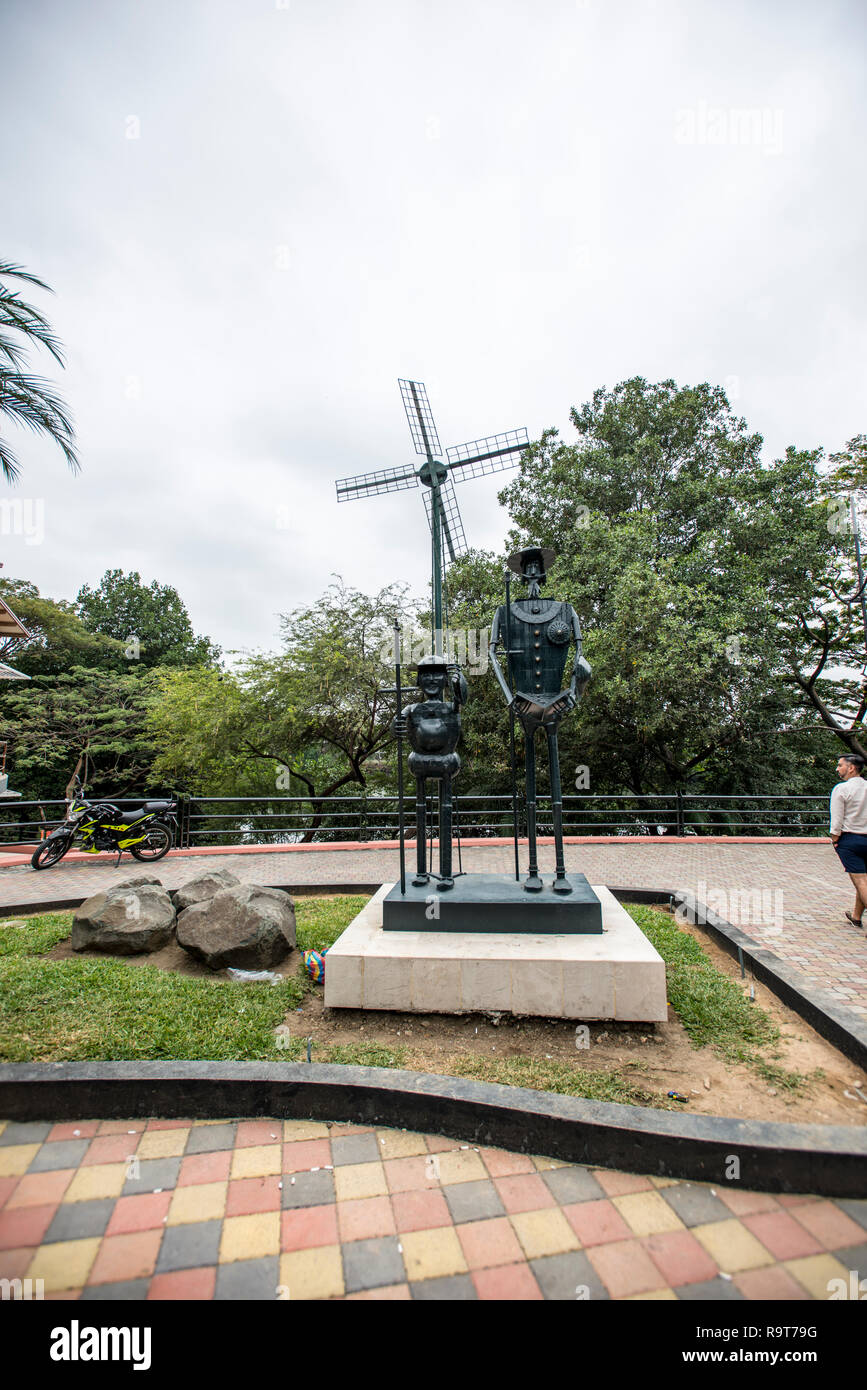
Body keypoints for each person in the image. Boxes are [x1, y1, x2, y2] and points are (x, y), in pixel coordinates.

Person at [829, 752, 867, 931]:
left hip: (850, 839)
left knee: (860, 881)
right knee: (864, 880)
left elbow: (836, 820)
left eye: (840, 765)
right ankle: (856, 917)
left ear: (851, 768)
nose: (837, 769)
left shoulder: (841, 789)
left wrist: (835, 840)